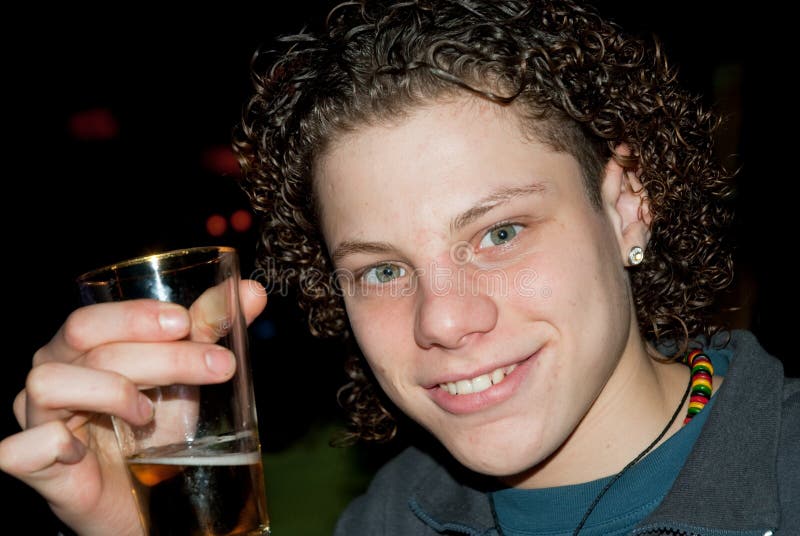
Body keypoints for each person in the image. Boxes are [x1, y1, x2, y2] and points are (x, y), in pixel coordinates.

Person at [1, 0, 797, 534]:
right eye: (382, 271)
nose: (442, 321)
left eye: (500, 232)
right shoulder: (394, 517)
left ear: (625, 205)